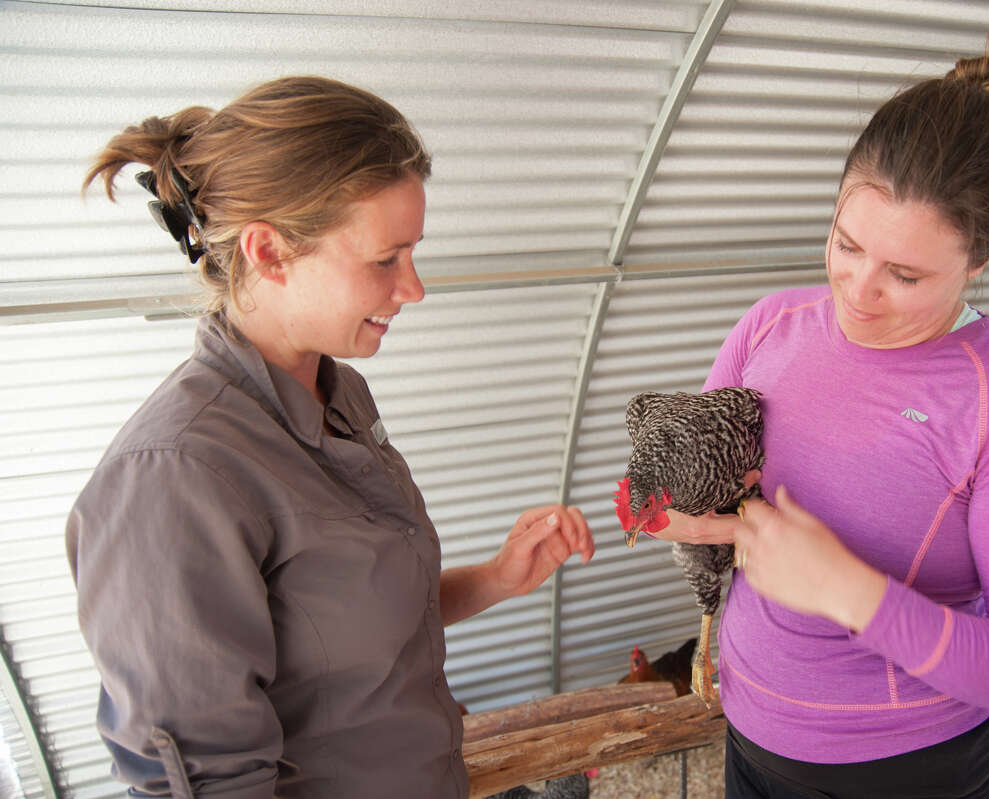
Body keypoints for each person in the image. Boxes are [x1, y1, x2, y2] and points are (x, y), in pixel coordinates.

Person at [66, 76, 594, 799]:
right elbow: (205, 781)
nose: (414, 288)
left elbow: (341, 627)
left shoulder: (338, 390)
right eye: (386, 258)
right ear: (269, 251)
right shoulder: (175, 477)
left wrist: (497, 578)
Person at [653, 55, 989, 798]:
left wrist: (852, 593)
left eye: (906, 274)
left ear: (985, 257)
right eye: (847, 243)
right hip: (752, 741)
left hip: (912, 771)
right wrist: (684, 512)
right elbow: (699, 480)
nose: (859, 291)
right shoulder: (773, 325)